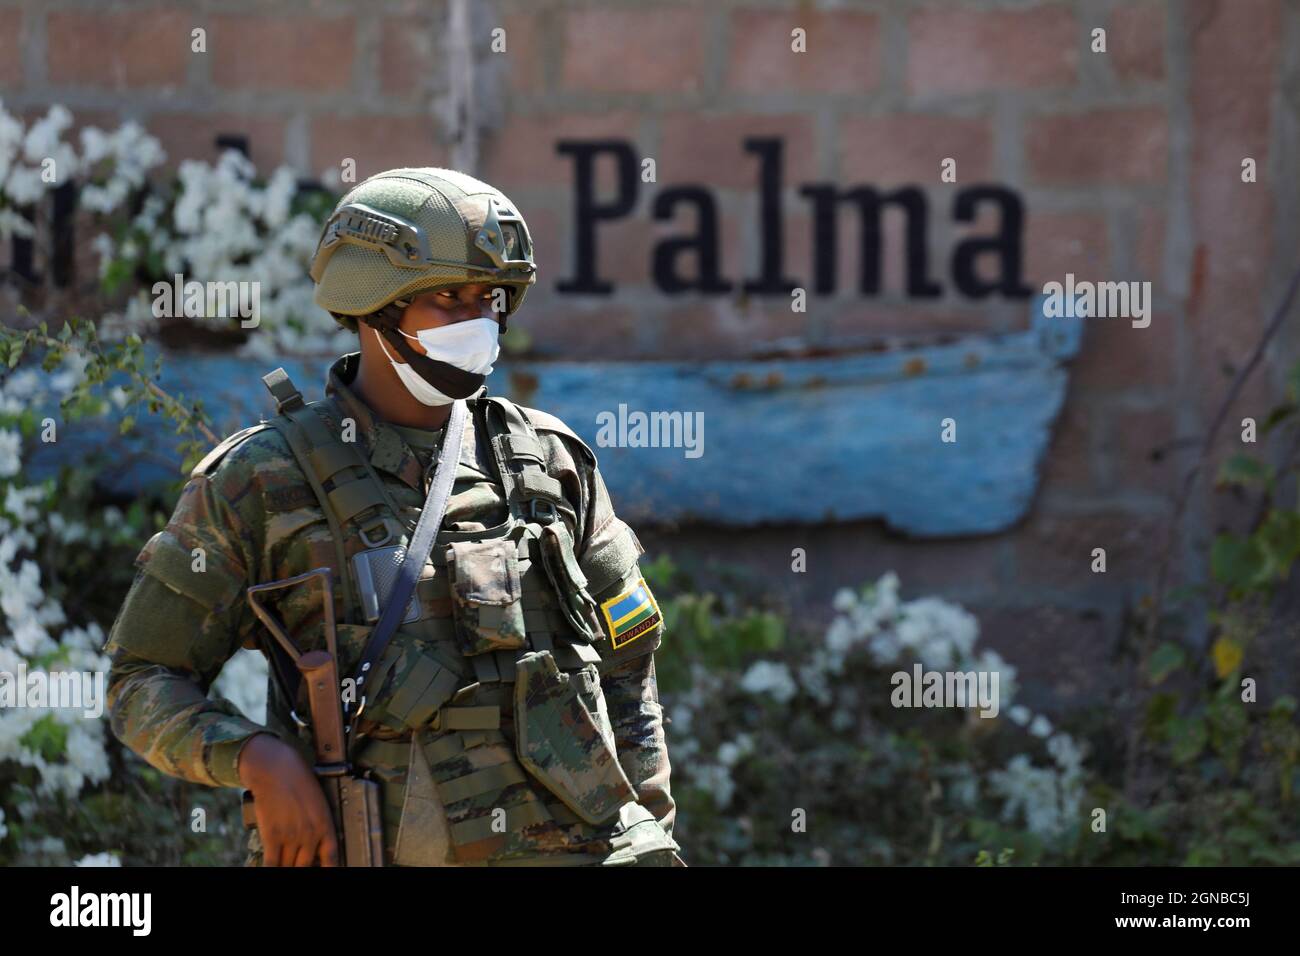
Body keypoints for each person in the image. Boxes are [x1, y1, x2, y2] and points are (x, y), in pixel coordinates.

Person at [104, 167, 681, 867]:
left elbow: (628, 667)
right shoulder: (263, 480)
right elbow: (141, 681)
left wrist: (649, 828)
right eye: (448, 297)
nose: (479, 320)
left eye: (491, 298)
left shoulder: (551, 461)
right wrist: (256, 759)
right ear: (375, 305)